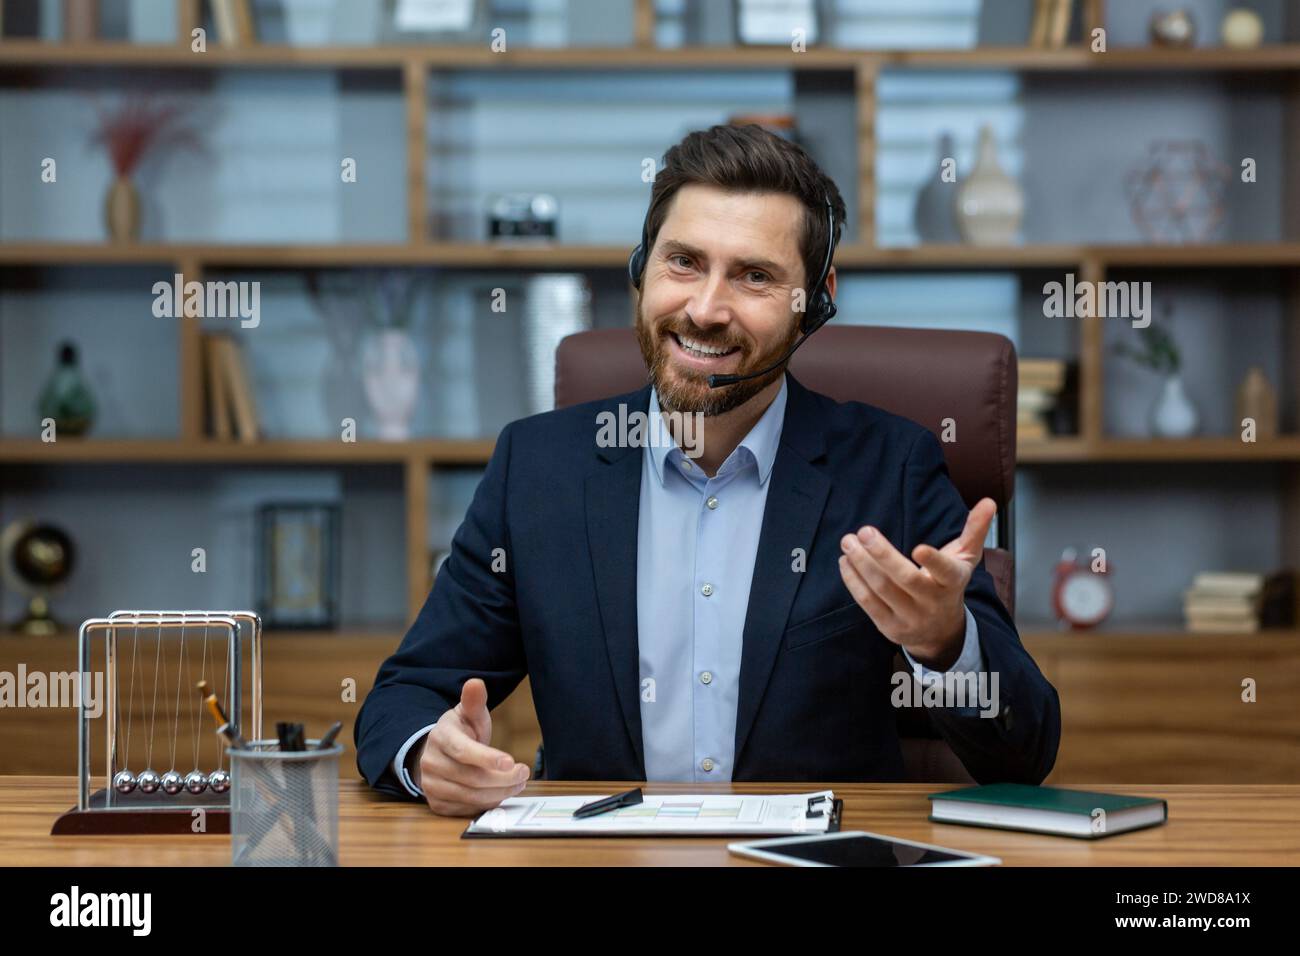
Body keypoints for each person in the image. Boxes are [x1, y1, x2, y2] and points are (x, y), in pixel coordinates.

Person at [355, 123, 1060, 816]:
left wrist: (945, 643)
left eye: (755, 276)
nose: (704, 309)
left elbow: (1024, 754)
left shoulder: (892, 467)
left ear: (815, 302)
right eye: (683, 262)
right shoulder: (537, 470)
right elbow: (405, 696)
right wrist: (427, 755)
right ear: (641, 268)